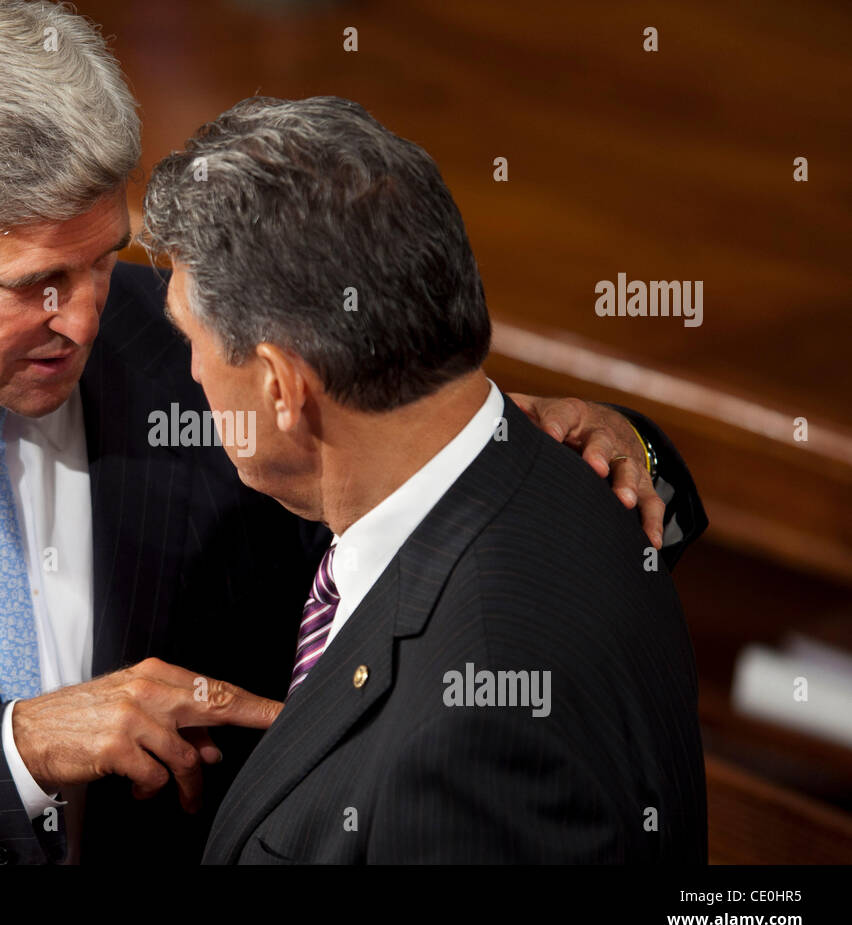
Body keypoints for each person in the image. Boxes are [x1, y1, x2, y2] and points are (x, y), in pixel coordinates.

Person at [0, 0, 704, 865]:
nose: (86, 321)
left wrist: (618, 443)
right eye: (37, 284)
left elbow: (448, 488)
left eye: (106, 259)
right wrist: (19, 751)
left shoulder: (196, 342)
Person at [141, 94, 707, 863]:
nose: (192, 373)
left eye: (190, 339)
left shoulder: (469, 745)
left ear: (281, 384)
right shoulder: (574, 478)